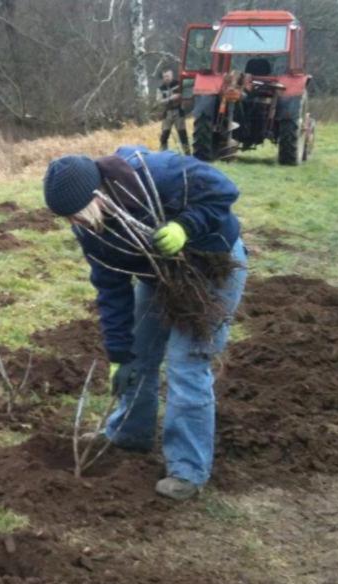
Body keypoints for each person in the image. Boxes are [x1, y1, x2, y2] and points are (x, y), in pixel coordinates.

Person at [42, 146, 247, 501]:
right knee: (139, 354)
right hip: (157, 276)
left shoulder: (159, 173)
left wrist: (185, 226)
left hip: (212, 266)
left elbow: (224, 192)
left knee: (187, 362)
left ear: (96, 194)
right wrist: (119, 354)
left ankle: (187, 469)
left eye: (76, 215)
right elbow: (111, 288)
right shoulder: (91, 229)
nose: (75, 225)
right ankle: (129, 432)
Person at [158, 70, 190, 155]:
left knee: (182, 134)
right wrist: (171, 98)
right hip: (167, 113)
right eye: (164, 76)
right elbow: (159, 101)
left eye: (168, 76)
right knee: (164, 135)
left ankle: (187, 154)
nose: (166, 78)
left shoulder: (179, 84)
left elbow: (187, 93)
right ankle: (163, 154)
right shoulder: (160, 88)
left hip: (179, 111)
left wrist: (181, 97)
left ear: (172, 76)